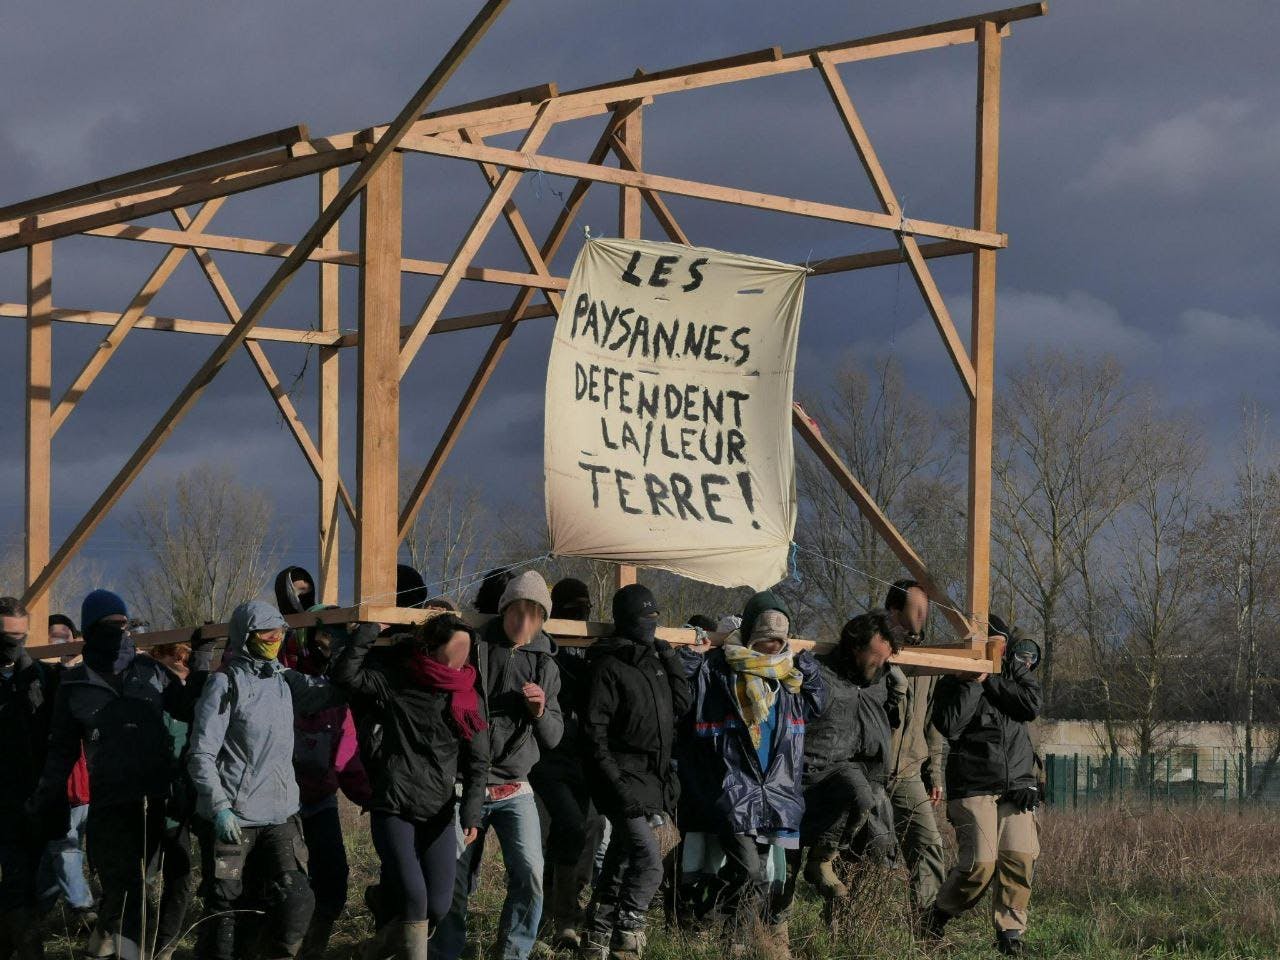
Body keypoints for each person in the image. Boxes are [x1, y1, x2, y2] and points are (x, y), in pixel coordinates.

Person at [30, 589, 213, 960]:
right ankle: (129, 952)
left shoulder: (150, 672)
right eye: (107, 626)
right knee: (128, 892)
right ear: (89, 630)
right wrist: (46, 800)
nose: (118, 631)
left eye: (122, 624)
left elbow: (189, 705)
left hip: (162, 796)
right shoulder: (75, 685)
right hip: (112, 805)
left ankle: (159, 949)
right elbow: (62, 751)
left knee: (179, 878)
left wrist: (204, 658)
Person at [187, 601, 344, 960]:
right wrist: (220, 808)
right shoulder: (224, 684)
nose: (273, 639)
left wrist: (340, 646)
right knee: (227, 906)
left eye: (279, 633)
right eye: (265, 633)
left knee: (297, 900)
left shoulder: (285, 681)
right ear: (246, 636)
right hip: (234, 820)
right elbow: (201, 755)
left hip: (281, 815)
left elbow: (334, 692)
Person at [332, 614, 490, 960]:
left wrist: (472, 812)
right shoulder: (398, 680)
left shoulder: (467, 697)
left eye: (467, 649)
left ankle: (375, 948)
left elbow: (479, 762)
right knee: (416, 899)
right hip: (394, 806)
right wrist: (368, 632)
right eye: (455, 648)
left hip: (438, 812)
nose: (462, 657)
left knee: (439, 904)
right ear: (432, 649)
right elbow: (345, 676)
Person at [681, 592, 825, 952]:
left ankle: (732, 940)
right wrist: (691, 652)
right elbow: (682, 686)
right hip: (732, 790)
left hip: (774, 795)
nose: (770, 647)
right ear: (748, 637)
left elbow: (820, 703)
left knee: (759, 878)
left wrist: (809, 669)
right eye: (763, 640)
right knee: (751, 872)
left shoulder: (789, 680)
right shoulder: (717, 670)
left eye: (778, 641)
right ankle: (713, 925)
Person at [436, 572, 563, 960]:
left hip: (514, 785)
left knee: (529, 873)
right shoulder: (475, 648)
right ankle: (446, 951)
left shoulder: (546, 665)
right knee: (452, 880)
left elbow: (555, 736)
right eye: (516, 612)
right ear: (504, 609)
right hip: (464, 782)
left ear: (542, 619)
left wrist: (540, 710)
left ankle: (512, 952)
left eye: (533, 615)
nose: (523, 623)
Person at [580, 584, 691, 960]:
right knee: (648, 862)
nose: (651, 624)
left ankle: (593, 940)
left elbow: (683, 702)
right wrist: (618, 790)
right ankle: (627, 939)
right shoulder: (608, 666)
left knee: (620, 863)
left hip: (651, 782)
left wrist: (669, 655)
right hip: (621, 782)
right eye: (645, 618)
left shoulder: (654, 663)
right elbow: (594, 737)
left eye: (655, 617)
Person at [926, 616, 1043, 956]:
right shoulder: (953, 679)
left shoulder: (1013, 672)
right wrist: (973, 681)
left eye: (1000, 644)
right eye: (990, 644)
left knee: (1020, 859)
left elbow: (1030, 706)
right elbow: (950, 725)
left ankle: (1010, 935)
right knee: (980, 865)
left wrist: (991, 677)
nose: (998, 650)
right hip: (973, 783)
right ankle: (937, 915)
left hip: (1018, 784)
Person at [784, 610, 898, 906]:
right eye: (876, 658)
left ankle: (824, 857)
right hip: (800, 772)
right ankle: (773, 931)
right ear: (855, 647)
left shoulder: (879, 679)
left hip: (842, 769)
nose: (880, 665)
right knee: (785, 864)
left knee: (861, 798)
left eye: (884, 659)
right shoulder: (817, 671)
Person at [282, 610, 373, 960]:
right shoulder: (285, 679)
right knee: (288, 882)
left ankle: (312, 947)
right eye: (324, 643)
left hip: (320, 799)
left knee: (333, 878)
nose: (328, 652)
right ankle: (280, 944)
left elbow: (345, 754)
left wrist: (370, 796)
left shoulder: (337, 693)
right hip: (281, 804)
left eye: (336, 646)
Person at [530, 578, 604, 950]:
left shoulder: (594, 651)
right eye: (574, 609)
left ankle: (565, 917)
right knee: (560, 832)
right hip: (548, 757)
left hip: (586, 757)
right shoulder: (544, 651)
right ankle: (552, 918)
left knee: (587, 831)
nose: (581, 615)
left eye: (585, 609)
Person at [882, 580, 947, 914]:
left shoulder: (926, 659)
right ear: (895, 610)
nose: (923, 615)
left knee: (929, 844)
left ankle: (927, 929)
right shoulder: (870, 647)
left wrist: (935, 773)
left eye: (926, 608)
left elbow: (932, 723)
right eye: (915, 608)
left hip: (909, 771)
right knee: (861, 852)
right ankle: (845, 928)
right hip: (869, 771)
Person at [0, 596, 60, 958]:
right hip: (3, 802)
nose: (12, 644)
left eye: (19, 637)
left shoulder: (43, 677)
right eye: (6, 637)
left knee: (43, 886)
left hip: (37, 799)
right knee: (18, 881)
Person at [34, 614, 95, 931]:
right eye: (52, 636)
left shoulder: (90, 675)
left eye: (65, 635)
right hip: (57, 780)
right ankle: (81, 906)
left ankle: (30, 914)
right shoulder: (40, 676)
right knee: (64, 844)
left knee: (57, 851)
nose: (60, 641)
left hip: (84, 779)